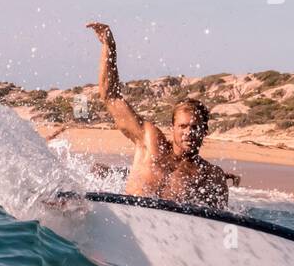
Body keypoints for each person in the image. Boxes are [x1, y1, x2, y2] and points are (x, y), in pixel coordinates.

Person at [86, 22, 238, 209]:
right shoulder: (150, 142)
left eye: (195, 127)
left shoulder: (211, 177)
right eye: (183, 126)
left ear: (205, 131)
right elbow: (111, 97)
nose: (188, 132)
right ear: (172, 127)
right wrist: (109, 47)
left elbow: (215, 226)